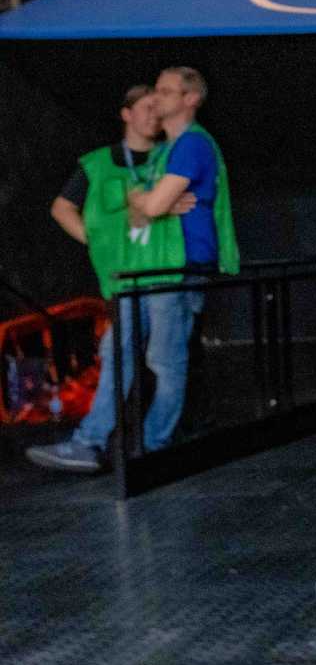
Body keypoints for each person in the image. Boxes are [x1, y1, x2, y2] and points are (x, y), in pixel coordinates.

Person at [26, 85, 192, 473]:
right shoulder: (100, 163)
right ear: (127, 113)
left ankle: (153, 444)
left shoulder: (173, 156)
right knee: (118, 356)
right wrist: (96, 241)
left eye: (159, 107)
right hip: (126, 278)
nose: (155, 114)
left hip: (164, 271)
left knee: (166, 363)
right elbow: (61, 207)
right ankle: (93, 442)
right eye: (147, 107)